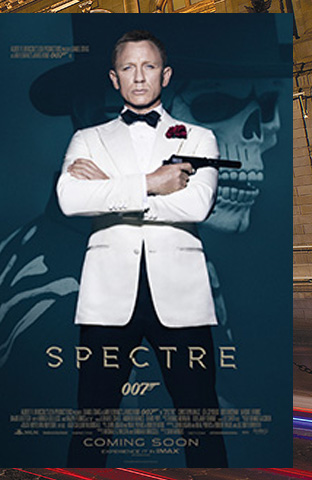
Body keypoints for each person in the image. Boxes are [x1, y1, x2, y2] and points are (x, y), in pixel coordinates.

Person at [55, 30, 225, 467]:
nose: (138, 77)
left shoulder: (200, 138)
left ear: (165, 75)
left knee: (202, 424)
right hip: (106, 300)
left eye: (148, 66)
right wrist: (153, 183)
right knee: (91, 423)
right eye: (128, 67)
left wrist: (111, 193)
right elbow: (71, 200)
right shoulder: (87, 139)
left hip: (183, 300)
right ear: (114, 79)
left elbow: (197, 204)